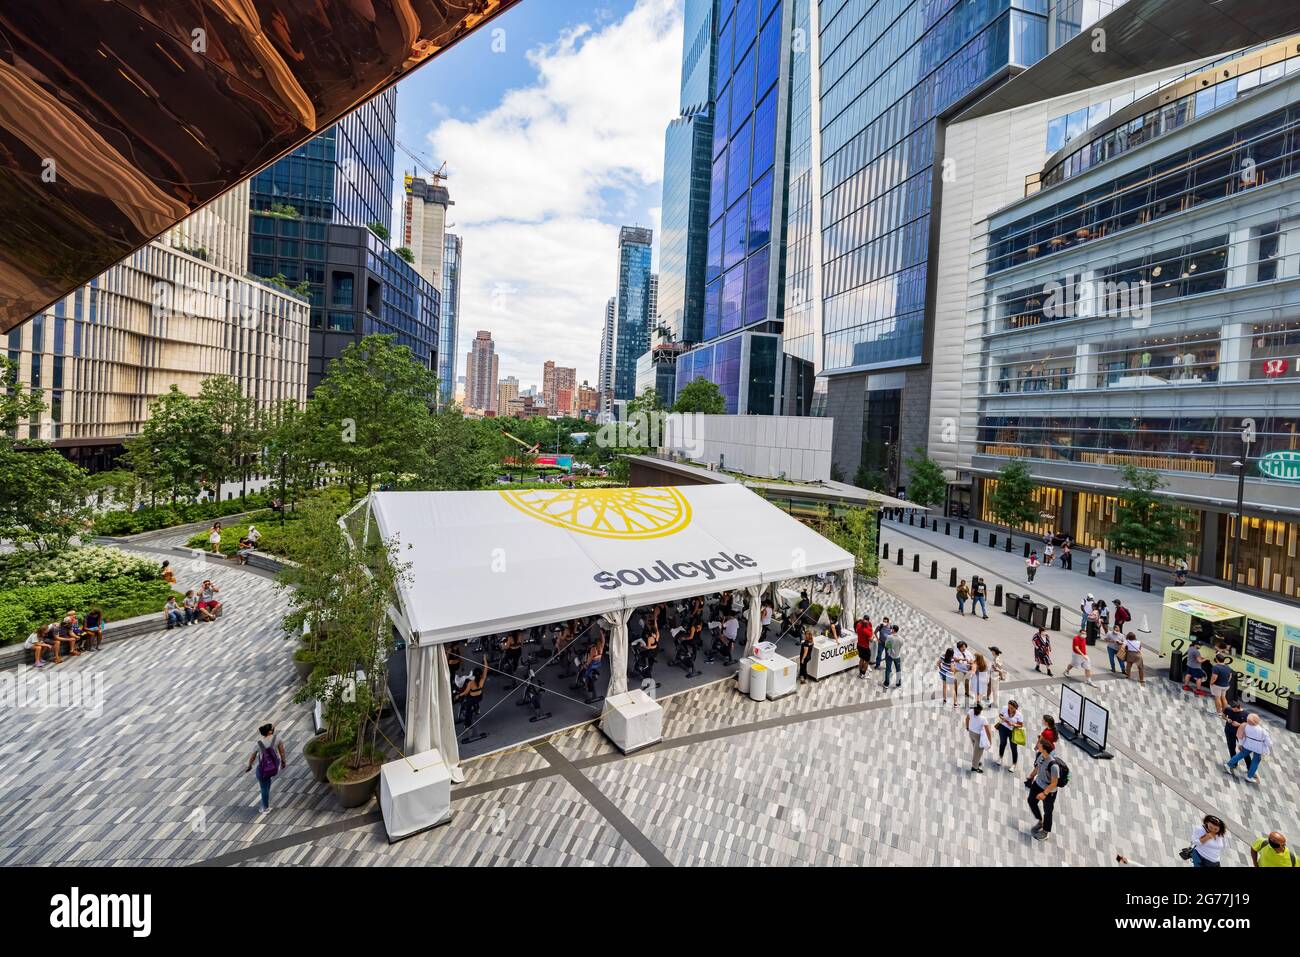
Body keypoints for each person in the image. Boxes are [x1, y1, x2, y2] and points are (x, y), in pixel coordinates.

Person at [244, 722, 288, 815]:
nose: (274, 728)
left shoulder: (259, 744)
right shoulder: (277, 738)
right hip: (274, 767)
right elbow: (282, 752)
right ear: (269, 731)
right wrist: (283, 762)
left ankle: (265, 808)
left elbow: (252, 757)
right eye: (272, 728)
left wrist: (249, 766)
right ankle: (265, 804)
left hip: (263, 768)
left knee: (264, 787)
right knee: (267, 783)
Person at [1026, 738, 1062, 841]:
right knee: (1031, 801)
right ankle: (1040, 820)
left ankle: (1045, 832)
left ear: (1045, 749)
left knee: (1048, 811)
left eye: (1039, 745)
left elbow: (1054, 783)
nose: (1037, 746)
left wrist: (1044, 794)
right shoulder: (1041, 756)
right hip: (1038, 784)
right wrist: (1031, 776)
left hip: (1049, 791)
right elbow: (1037, 768)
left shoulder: (1053, 765)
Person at [1224, 713, 1271, 783]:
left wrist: (1241, 744)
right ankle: (1249, 776)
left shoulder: (1246, 726)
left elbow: (1242, 736)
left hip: (1247, 744)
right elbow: (1269, 743)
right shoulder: (1262, 731)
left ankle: (1228, 764)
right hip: (1258, 747)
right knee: (1255, 761)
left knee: (1240, 755)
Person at [995, 699, 1025, 772]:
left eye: (1012, 708)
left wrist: (1013, 724)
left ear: (1015, 708)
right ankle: (1000, 757)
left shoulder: (1019, 715)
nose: (1010, 709)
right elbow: (1000, 715)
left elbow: (1021, 725)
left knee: (1013, 747)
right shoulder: (1005, 708)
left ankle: (1014, 764)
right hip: (1003, 728)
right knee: (1002, 743)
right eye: (1009, 707)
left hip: (1013, 731)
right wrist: (1003, 718)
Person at [966, 703, 991, 773]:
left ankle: (976, 762)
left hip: (971, 733)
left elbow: (967, 719)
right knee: (978, 752)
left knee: (975, 748)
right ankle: (975, 767)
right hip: (978, 736)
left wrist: (967, 727)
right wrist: (990, 742)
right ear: (980, 711)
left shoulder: (970, 712)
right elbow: (988, 732)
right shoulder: (983, 719)